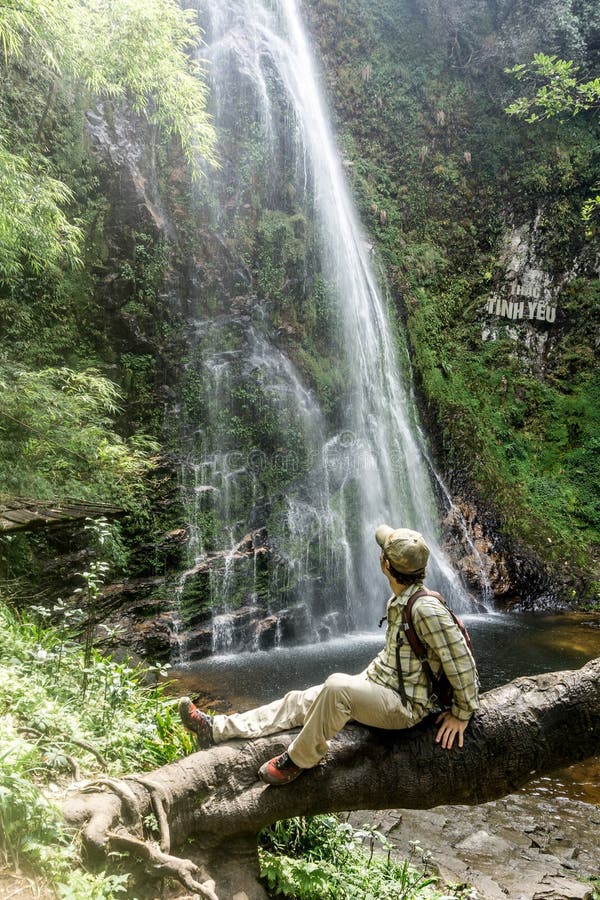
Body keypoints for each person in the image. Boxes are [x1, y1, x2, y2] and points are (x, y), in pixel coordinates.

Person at [179, 524, 479, 785]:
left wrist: (462, 713)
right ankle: (216, 729)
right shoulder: (403, 599)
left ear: (385, 564)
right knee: (299, 700)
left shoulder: (425, 608)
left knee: (336, 687)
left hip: (406, 706)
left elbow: (462, 660)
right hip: (383, 686)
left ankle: (298, 760)